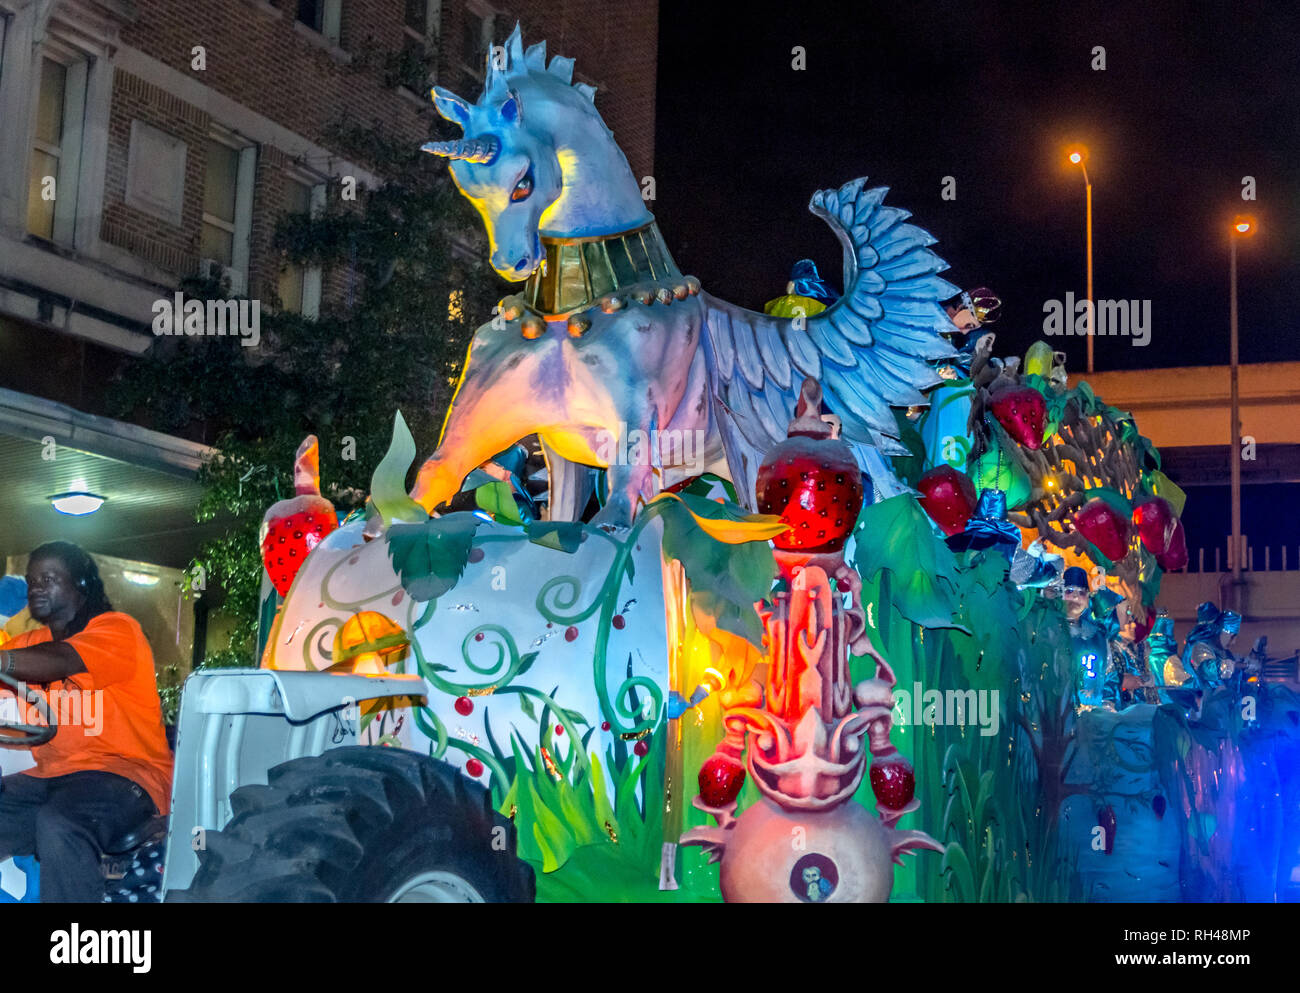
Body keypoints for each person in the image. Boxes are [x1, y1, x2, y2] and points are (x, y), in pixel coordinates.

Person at [0, 542, 172, 902]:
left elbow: (60, 659)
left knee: (60, 822)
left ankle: (75, 943)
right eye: (32, 580)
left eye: (48, 578)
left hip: (125, 777)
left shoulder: (118, 631)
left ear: (81, 583)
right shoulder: (30, 642)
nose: (36, 588)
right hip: (48, 779)